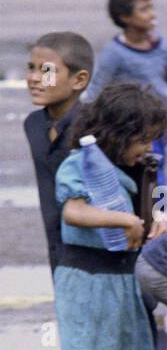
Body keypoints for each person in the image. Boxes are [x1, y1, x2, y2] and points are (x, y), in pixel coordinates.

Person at [26, 83, 167, 350]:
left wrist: (154, 223)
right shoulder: (80, 164)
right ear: (115, 133)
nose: (146, 147)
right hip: (89, 281)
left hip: (118, 278)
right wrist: (123, 221)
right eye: (141, 138)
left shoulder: (126, 171)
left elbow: (147, 212)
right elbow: (73, 211)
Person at [83, 0, 167, 182]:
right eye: (144, 9)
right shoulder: (114, 53)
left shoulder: (162, 46)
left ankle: (155, 211)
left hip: (157, 129)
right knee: (147, 181)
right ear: (124, 17)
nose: (152, 14)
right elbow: (96, 91)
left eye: (151, 7)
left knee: (157, 176)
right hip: (133, 132)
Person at [24, 32, 94, 274]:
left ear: (79, 80)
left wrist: (156, 215)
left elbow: (145, 171)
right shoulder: (33, 125)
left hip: (101, 255)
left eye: (46, 71)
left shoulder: (97, 127)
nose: (33, 78)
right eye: (31, 68)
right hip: (57, 249)